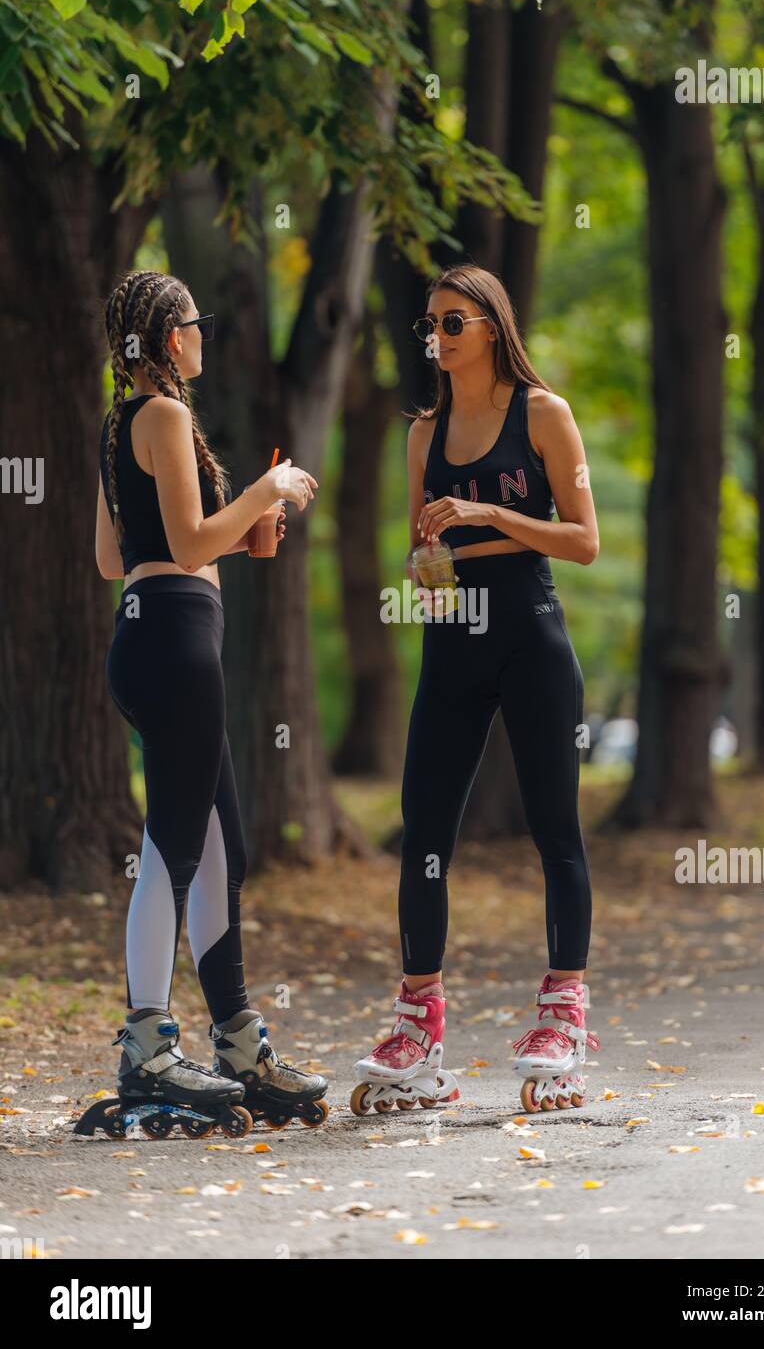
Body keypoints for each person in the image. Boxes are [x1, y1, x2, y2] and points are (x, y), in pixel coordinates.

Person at [351, 264, 601, 1117]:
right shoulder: (425, 431)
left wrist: (489, 516)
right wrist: (426, 566)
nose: (436, 338)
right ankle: (418, 1017)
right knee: (424, 828)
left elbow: (583, 542)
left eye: (451, 323)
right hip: (454, 640)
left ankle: (562, 1011)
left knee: (553, 829)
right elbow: (420, 552)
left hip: (531, 631)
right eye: (429, 325)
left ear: (491, 326)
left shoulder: (543, 414)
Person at [89, 269, 327, 1136]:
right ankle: (148, 1046)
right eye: (195, 323)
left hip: (148, 636)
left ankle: (235, 1044)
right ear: (166, 337)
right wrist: (266, 493)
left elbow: (117, 558)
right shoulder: (168, 415)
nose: (202, 334)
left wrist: (246, 528)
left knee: (220, 847)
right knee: (172, 850)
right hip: (178, 646)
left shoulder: (120, 424)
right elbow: (191, 543)